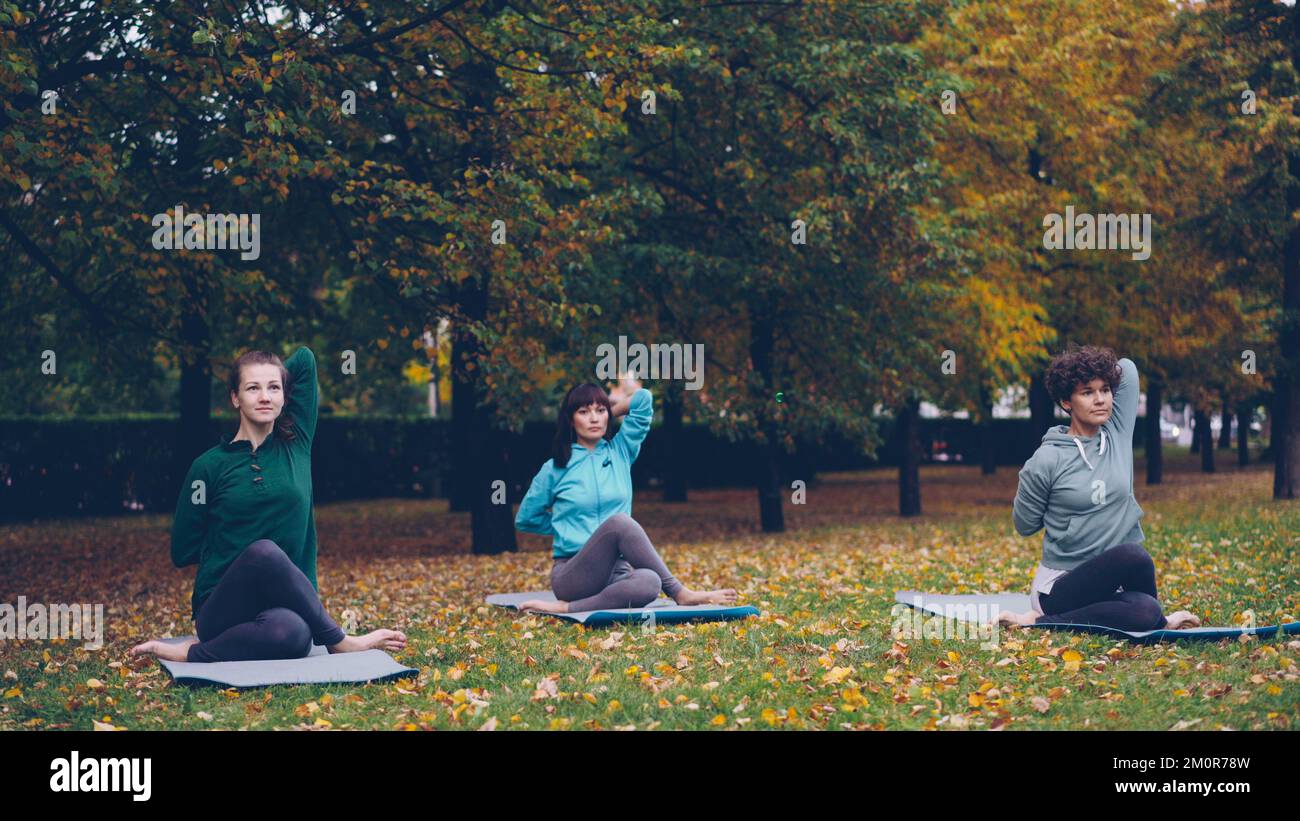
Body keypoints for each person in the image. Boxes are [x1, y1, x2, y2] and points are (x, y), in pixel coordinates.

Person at [131, 347, 406, 662]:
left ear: (285, 397)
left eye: (274, 388)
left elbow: (304, 359)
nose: (265, 396)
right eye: (252, 388)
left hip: (284, 606)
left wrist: (262, 371)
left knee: (292, 635)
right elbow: (183, 551)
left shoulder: (297, 443)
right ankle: (340, 641)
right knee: (263, 552)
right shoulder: (207, 468)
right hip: (223, 607)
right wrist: (238, 556)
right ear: (235, 398)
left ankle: (192, 653)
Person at [998, 345, 1200, 631]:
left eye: (1105, 390)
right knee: (1135, 554)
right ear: (1066, 402)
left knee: (1146, 611)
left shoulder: (1117, 432)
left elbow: (1127, 367)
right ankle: (1042, 621)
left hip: (1107, 584)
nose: (1100, 400)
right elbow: (1025, 525)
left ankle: (1159, 621)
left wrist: (1094, 367)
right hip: (1059, 587)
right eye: (1087, 392)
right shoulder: (1046, 459)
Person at [513, 373, 737, 614]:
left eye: (600, 411)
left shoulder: (620, 451)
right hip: (573, 573)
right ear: (570, 420)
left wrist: (613, 408)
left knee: (650, 581)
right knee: (620, 522)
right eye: (584, 412)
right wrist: (567, 525)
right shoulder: (554, 468)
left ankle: (567, 608)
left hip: (617, 572)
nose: (594, 418)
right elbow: (526, 518)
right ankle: (681, 593)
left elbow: (643, 399)